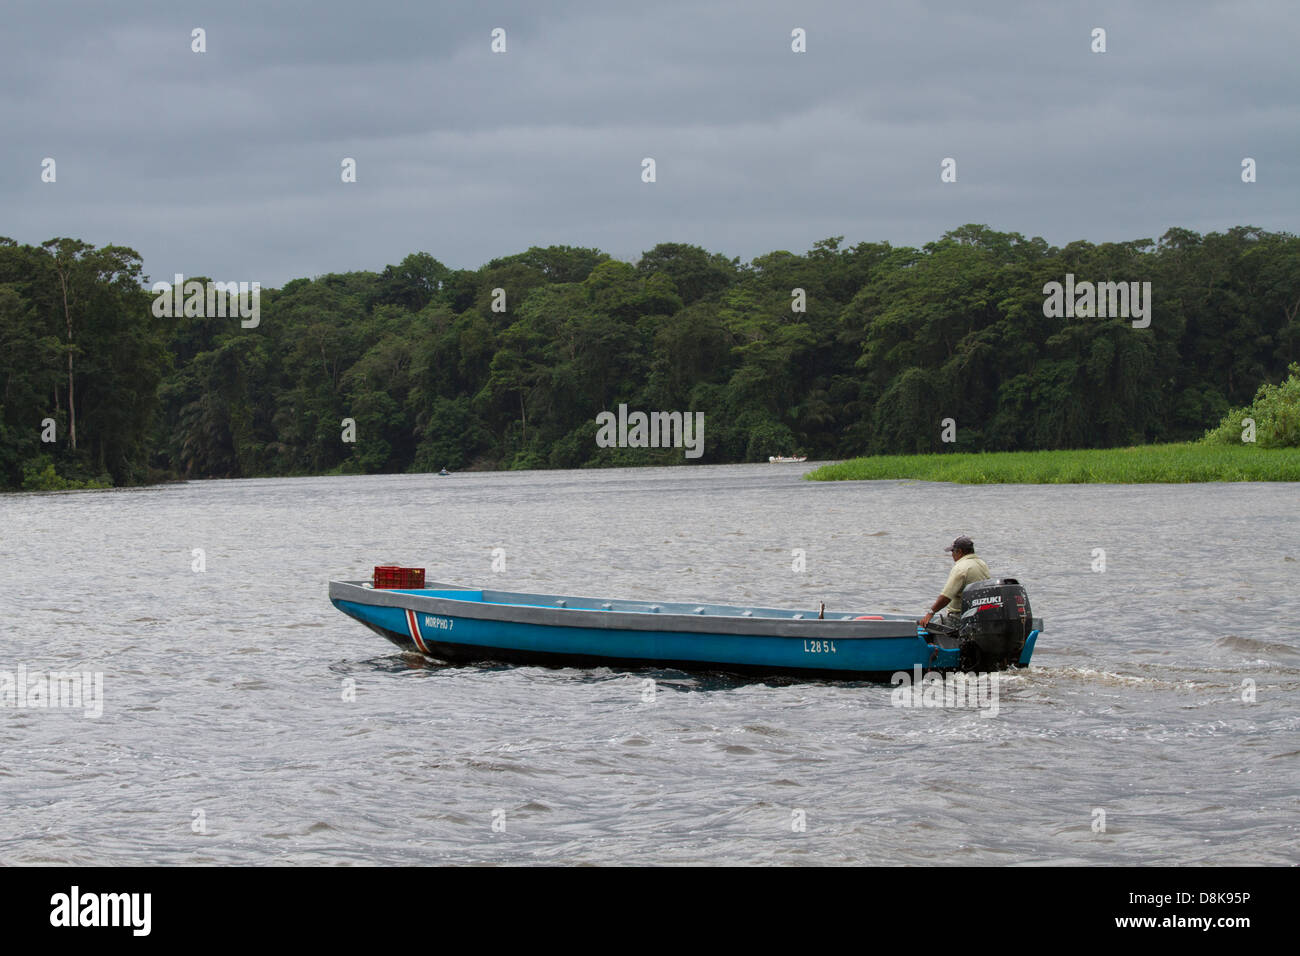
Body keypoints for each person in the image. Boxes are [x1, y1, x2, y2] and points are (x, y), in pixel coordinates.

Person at [918, 536, 990, 629]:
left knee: (930, 627)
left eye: (952, 551)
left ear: (959, 551)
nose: (952, 555)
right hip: (979, 615)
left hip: (960, 617)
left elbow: (946, 597)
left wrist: (930, 613)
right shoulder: (982, 564)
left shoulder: (961, 568)